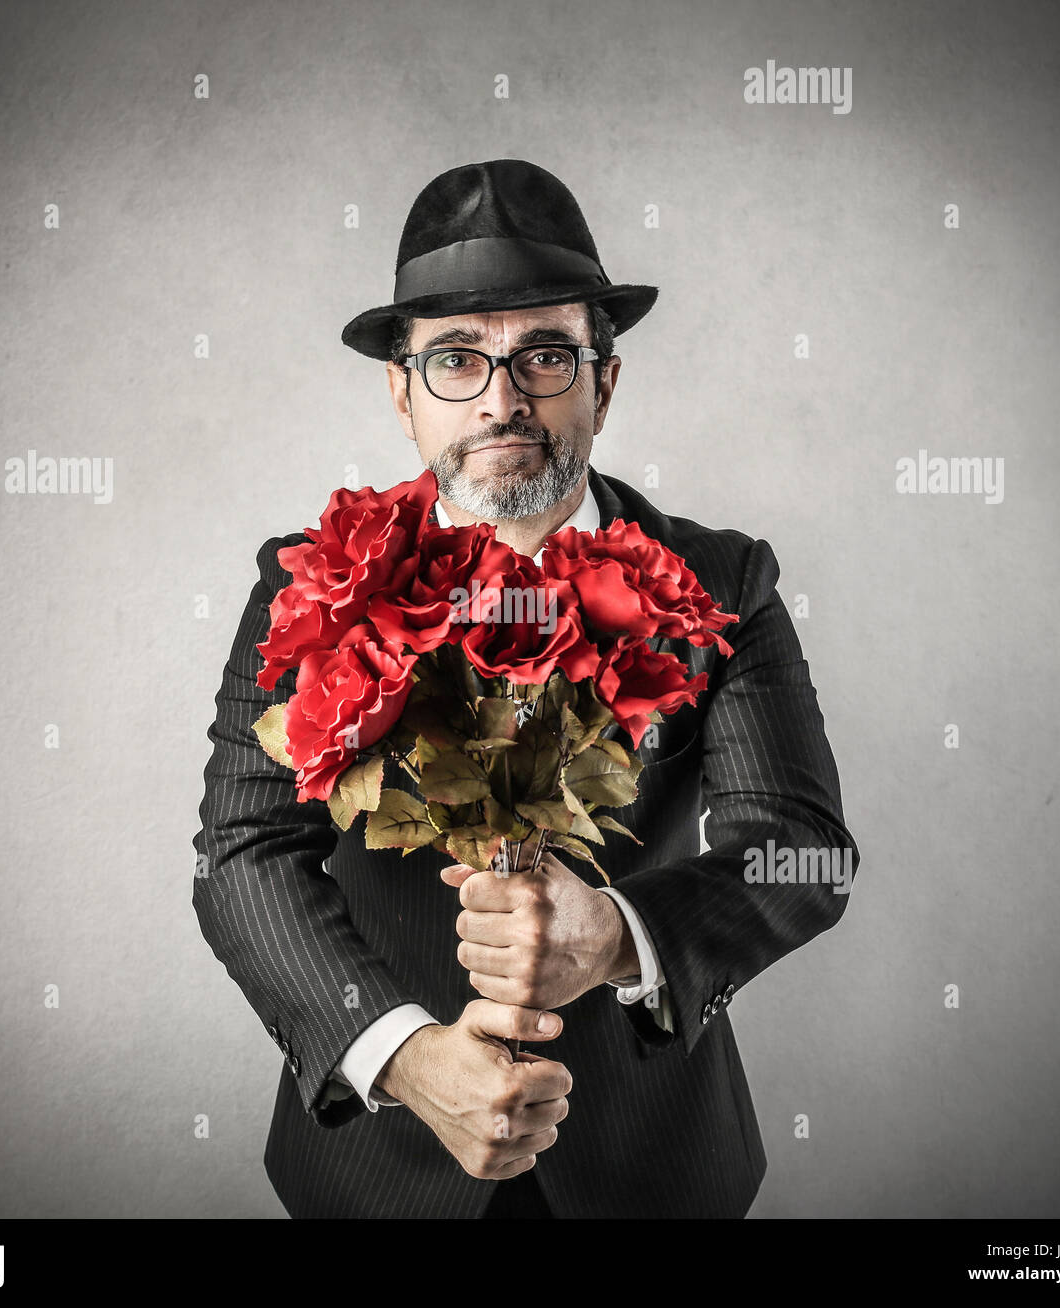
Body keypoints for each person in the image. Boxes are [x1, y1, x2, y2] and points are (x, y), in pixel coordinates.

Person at [192, 159, 860, 1219]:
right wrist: (405, 1058)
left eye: (545, 354)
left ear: (605, 379)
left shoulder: (720, 586)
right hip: (379, 1166)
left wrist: (620, 937)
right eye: (456, 359)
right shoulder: (306, 586)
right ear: (401, 392)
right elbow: (243, 856)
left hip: (652, 1163)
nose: (503, 400)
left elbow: (803, 848)